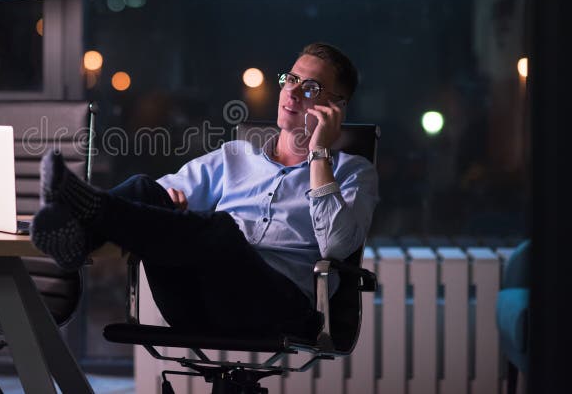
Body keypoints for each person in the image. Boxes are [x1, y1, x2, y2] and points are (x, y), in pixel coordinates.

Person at [31, 43, 378, 339]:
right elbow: (160, 196)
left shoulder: (352, 172)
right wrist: (167, 208)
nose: (291, 91)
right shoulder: (233, 158)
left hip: (279, 311)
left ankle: (81, 209)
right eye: (292, 79)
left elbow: (336, 246)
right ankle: (79, 236)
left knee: (223, 230)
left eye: (311, 88)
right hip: (196, 302)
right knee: (145, 189)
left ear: (335, 106)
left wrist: (319, 155)